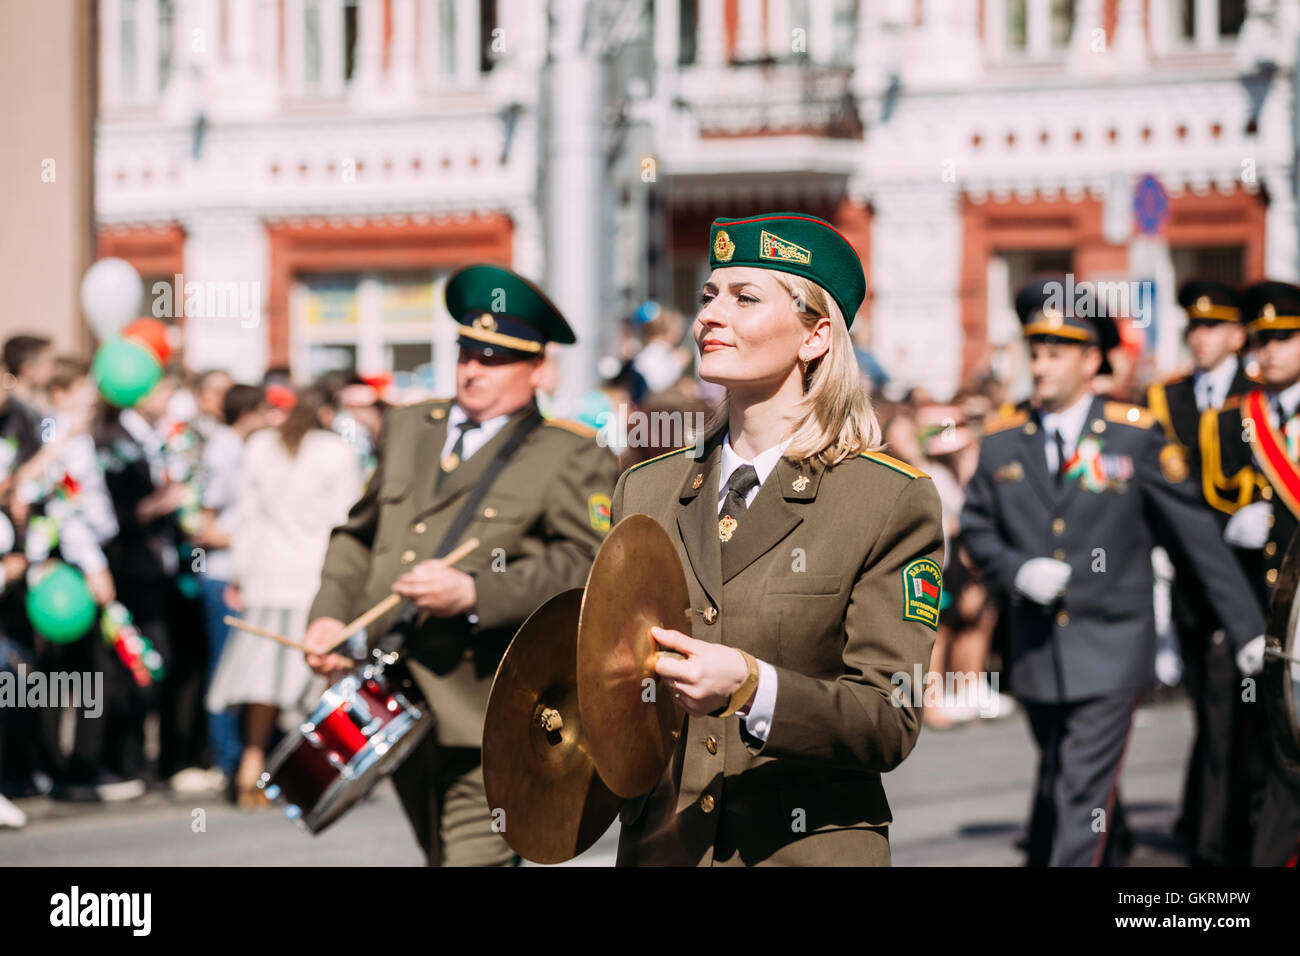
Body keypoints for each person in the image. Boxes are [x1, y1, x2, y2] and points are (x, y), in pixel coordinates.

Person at [612, 212, 944, 866]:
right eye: (708, 295)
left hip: (800, 848)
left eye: (744, 298)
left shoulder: (885, 498)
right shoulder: (646, 487)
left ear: (816, 336)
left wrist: (752, 687)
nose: (710, 315)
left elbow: (888, 718)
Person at [303, 264, 620, 866]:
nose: (474, 370)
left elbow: (589, 566)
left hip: (489, 710)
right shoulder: (407, 427)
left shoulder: (569, 453)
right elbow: (356, 536)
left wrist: (478, 592)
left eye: (497, 358)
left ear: (539, 370)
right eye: (467, 352)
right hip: (392, 698)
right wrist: (329, 619)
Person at [960, 278, 1266, 867]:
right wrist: (1016, 570)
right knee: (1063, 775)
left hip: (1112, 645)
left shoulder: (1133, 433)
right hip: (1037, 651)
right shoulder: (1002, 441)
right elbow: (976, 529)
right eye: (1036, 352)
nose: (1041, 367)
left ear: (1092, 359)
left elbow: (1194, 537)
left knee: (1080, 789)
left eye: (1057, 353)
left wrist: (1248, 627)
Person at [1146, 280, 1259, 865]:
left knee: (1239, 713)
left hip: (1253, 580)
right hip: (1192, 580)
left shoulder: (1259, 392)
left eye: (1212, 327)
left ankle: (1218, 839)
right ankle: (1211, 829)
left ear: (1238, 336)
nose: (1200, 337)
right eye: (1194, 326)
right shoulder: (1170, 398)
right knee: (1213, 709)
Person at [206, 386, 360, 808]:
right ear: (325, 413)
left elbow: (246, 517)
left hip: (267, 576)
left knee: (263, 682)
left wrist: (240, 574)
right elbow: (347, 522)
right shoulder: (336, 451)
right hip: (315, 579)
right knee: (322, 678)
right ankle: (319, 773)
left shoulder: (260, 447)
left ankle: (250, 768)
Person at [1198, 279, 1300, 866]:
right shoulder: (1231, 422)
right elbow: (1204, 518)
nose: (1270, 350)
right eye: (1262, 339)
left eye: (1285, 337)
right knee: (1233, 755)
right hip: (1247, 618)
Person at [188, 383, 267, 792]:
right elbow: (203, 524)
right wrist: (251, 535)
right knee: (226, 668)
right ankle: (227, 759)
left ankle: (237, 757)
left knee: (241, 666)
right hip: (221, 574)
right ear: (249, 414)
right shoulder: (224, 450)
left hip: (238, 573)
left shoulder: (239, 447)